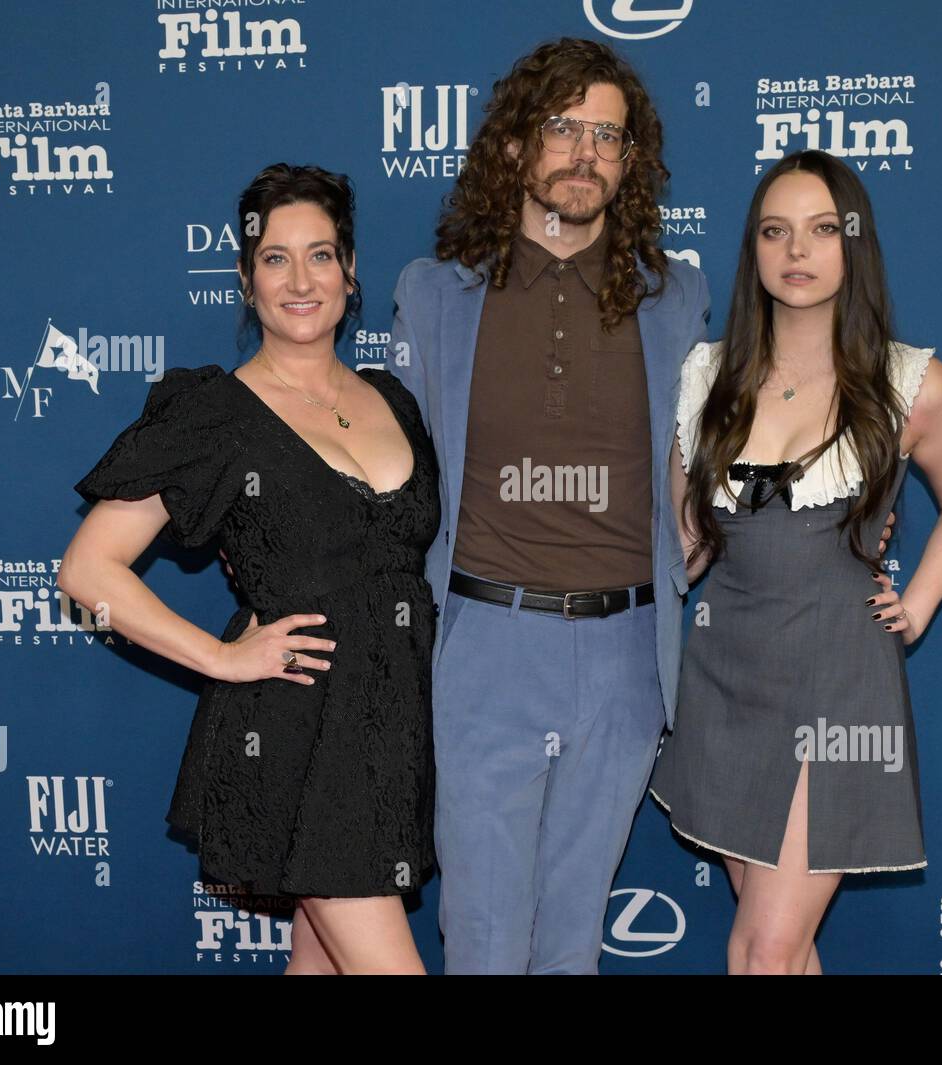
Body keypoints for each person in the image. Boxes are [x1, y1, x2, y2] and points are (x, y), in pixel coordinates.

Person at [58, 163, 440, 975]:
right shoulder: (216, 414)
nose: (300, 279)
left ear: (350, 270)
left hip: (392, 729)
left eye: (321, 254)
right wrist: (224, 657)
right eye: (275, 258)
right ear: (244, 276)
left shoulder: (393, 399)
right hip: (296, 731)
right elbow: (89, 569)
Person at [385, 37, 708, 974]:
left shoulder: (674, 295)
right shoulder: (434, 292)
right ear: (517, 147)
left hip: (626, 654)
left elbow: (713, 444)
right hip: (487, 641)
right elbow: (382, 461)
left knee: (572, 939)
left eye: (607, 136)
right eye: (563, 127)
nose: (585, 153)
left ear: (630, 161)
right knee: (483, 934)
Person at [649, 149, 942, 974]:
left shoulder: (913, 382)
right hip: (725, 678)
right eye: (775, 232)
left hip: (842, 684)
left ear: (855, 243)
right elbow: (682, 544)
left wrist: (919, 605)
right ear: (753, 249)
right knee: (787, 948)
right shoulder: (705, 375)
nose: (796, 252)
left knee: (763, 949)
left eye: (821, 230)